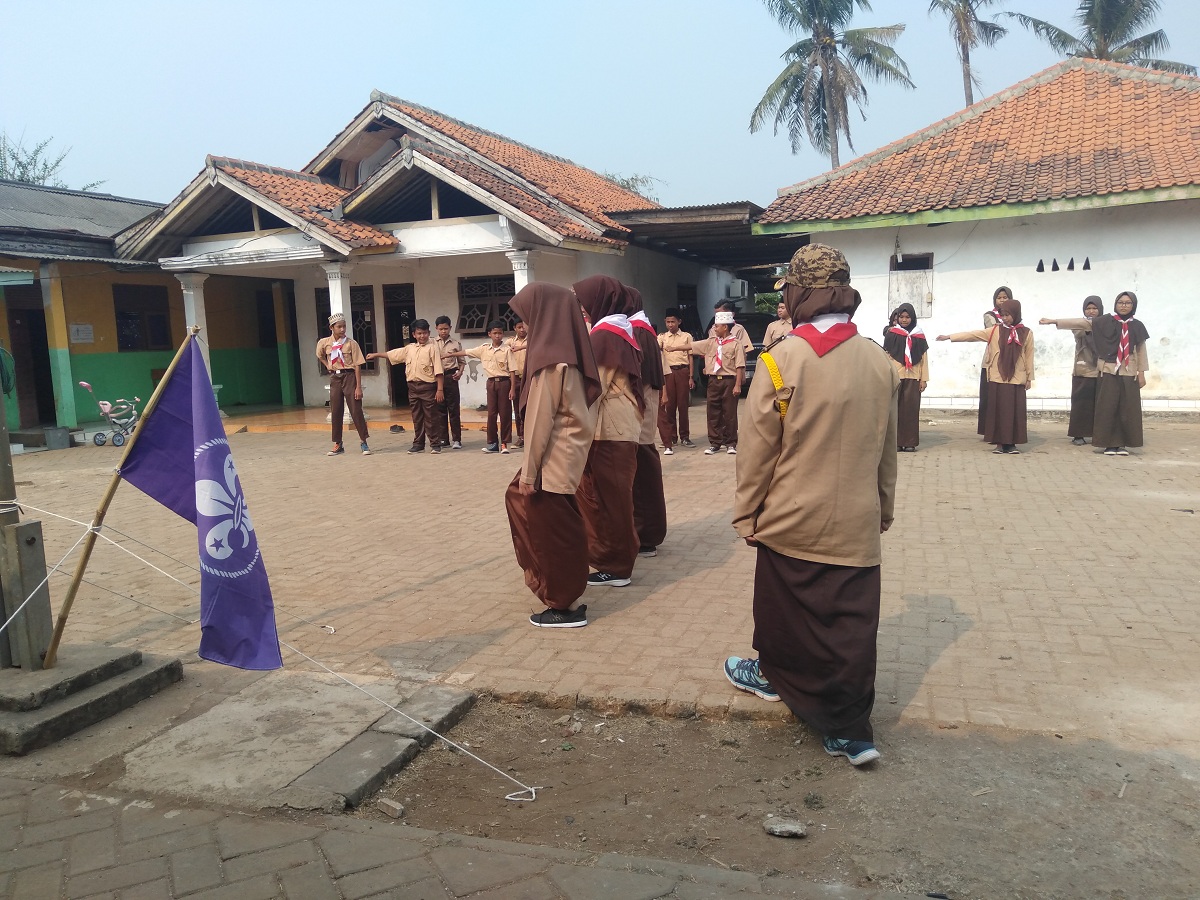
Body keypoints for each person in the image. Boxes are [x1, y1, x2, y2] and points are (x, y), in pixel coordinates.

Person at [725, 243, 898, 767]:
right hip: (857, 523)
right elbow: (886, 447)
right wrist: (883, 507)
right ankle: (850, 731)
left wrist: (746, 513)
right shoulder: (881, 362)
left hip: (791, 520)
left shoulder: (781, 361)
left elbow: (757, 449)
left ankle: (775, 676)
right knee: (850, 626)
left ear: (800, 294)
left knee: (785, 616)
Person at [504, 283, 602, 627]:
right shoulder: (573, 353)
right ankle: (566, 594)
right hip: (567, 457)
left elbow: (539, 422)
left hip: (551, 462)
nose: (525, 325)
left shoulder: (550, 361)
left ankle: (564, 603)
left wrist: (530, 473)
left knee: (552, 533)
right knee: (563, 528)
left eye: (528, 317)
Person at [573, 274, 644, 588]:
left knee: (611, 499)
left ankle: (616, 566)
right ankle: (612, 558)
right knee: (614, 497)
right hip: (619, 425)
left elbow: (594, 387)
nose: (583, 309)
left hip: (610, 429)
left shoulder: (604, 334)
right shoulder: (620, 329)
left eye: (584, 302)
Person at [937, 298, 1034, 454]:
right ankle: (1000, 444)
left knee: (1014, 411)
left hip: (1017, 378)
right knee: (999, 411)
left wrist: (1029, 377)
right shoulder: (995, 330)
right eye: (1003, 315)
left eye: (1008, 315)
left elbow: (1029, 356)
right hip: (997, 376)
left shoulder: (1026, 333)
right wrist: (950, 337)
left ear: (1016, 314)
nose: (1005, 318)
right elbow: (973, 335)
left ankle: (1012, 444)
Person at [626, 287, 668, 558]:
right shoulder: (643, 327)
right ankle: (646, 532)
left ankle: (645, 534)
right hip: (645, 402)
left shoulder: (638, 330)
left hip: (640, 407)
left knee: (640, 472)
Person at [367, 319, 445, 454]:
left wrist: (439, 389)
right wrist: (376, 355)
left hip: (428, 387)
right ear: (414, 334)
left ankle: (435, 444)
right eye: (419, 333)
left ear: (429, 333)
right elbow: (393, 354)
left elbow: (439, 371)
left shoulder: (432, 348)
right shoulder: (409, 349)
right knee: (417, 417)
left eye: (425, 333)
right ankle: (418, 444)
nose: (422, 336)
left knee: (431, 417)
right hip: (413, 387)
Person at [1090, 291, 1150, 456]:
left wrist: (1142, 373)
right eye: (1120, 302)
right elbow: (1082, 323)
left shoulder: (1137, 325)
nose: (1124, 305)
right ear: (1115, 304)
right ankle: (1109, 444)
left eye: (1128, 303)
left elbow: (1141, 351)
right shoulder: (1104, 322)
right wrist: (1054, 322)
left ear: (1133, 305)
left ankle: (1122, 444)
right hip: (1109, 370)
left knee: (1126, 409)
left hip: (1128, 371)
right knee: (1107, 407)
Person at [1038, 296, 1104, 445]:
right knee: (1081, 403)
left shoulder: (1106, 324)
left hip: (1102, 369)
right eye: (1088, 308)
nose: (1091, 311)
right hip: (1083, 369)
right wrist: (1054, 321)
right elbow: (1082, 327)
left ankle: (1099, 434)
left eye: (1094, 308)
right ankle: (1078, 434)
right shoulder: (1078, 325)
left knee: (1101, 404)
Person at [452, 322, 517, 453]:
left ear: (502, 334)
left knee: (505, 413)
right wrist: (449, 355)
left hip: (504, 382)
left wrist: (512, 388)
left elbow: (512, 371)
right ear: (489, 334)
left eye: (499, 333)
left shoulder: (507, 350)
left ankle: (504, 443)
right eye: (495, 333)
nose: (497, 336)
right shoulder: (484, 349)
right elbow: (466, 352)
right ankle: (492, 443)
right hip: (491, 383)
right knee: (492, 414)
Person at [315, 312, 371, 456]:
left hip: (349, 376)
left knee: (355, 409)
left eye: (344, 326)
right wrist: (327, 364)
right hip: (335, 377)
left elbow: (358, 365)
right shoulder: (325, 343)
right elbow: (319, 355)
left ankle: (364, 442)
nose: (342, 329)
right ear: (331, 328)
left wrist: (358, 386)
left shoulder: (351, 343)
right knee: (336, 410)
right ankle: (338, 444)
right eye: (339, 327)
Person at [690, 311, 745, 455]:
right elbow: (692, 346)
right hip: (713, 380)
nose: (714, 328)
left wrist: (738, 384)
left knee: (729, 413)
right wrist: (672, 348)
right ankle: (715, 442)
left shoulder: (735, 344)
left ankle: (731, 443)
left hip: (729, 380)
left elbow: (739, 365)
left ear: (725, 327)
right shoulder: (711, 342)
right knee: (713, 412)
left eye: (717, 326)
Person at [883, 303, 929, 452]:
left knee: (910, 410)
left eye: (907, 317)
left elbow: (924, 358)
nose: (904, 320)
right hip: (896, 376)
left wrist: (924, 379)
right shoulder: (892, 334)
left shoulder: (919, 336)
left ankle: (910, 442)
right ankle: (895, 442)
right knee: (895, 409)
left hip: (913, 377)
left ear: (912, 318)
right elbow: (886, 356)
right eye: (901, 317)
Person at [657, 309, 694, 453]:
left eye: (673, 321)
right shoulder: (662, 337)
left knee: (683, 405)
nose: (670, 324)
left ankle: (685, 436)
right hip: (668, 373)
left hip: (683, 371)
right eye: (668, 322)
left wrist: (691, 377)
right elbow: (657, 351)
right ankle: (672, 436)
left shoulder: (686, 336)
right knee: (669, 405)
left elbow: (691, 357)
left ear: (679, 322)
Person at [977, 287, 1011, 437]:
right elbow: (994, 329)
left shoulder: (1014, 317)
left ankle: (1004, 429)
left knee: (1005, 399)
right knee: (990, 397)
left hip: (1009, 360)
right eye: (999, 298)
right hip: (991, 362)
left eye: (1005, 297)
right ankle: (989, 430)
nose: (1002, 300)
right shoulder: (989, 315)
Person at [434, 315, 464, 450]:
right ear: (436, 329)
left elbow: (462, 362)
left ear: (450, 328)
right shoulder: (432, 343)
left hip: (451, 377)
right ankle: (443, 439)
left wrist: (460, 373)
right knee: (440, 409)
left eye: (446, 328)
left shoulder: (456, 344)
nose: (443, 331)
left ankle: (457, 439)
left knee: (453, 409)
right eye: (441, 329)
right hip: (437, 378)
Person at [507, 321, 529, 448]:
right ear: (514, 328)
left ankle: (529, 434)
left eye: (523, 327)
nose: (522, 330)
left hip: (528, 378)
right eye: (519, 327)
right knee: (518, 408)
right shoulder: (510, 342)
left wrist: (520, 348)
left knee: (529, 407)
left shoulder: (531, 339)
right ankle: (521, 436)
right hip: (515, 379)